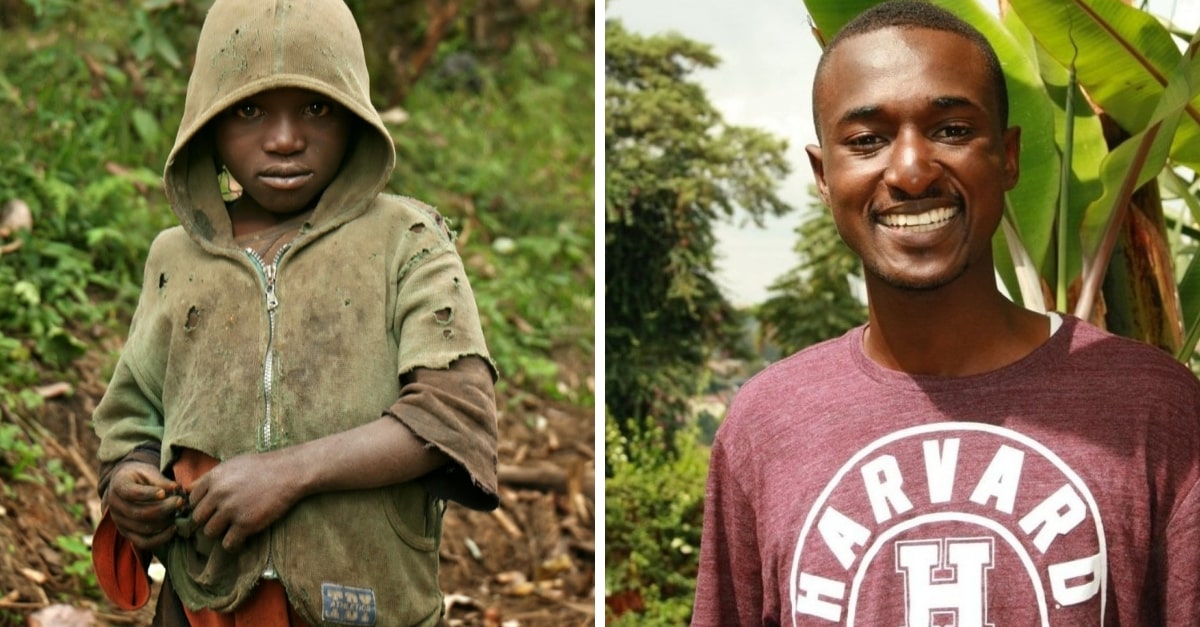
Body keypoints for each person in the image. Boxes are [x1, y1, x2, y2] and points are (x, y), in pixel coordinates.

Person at [691, 1, 1200, 625]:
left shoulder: (1153, 409)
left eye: (953, 130)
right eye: (867, 140)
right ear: (824, 176)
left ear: (1009, 157)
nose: (910, 172)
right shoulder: (767, 423)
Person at [89, 1, 499, 625]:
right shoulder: (175, 258)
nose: (284, 140)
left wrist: (289, 473)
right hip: (204, 604)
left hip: (365, 602)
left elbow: (453, 414)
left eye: (316, 108)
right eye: (250, 110)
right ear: (208, 122)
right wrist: (129, 480)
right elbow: (132, 415)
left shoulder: (406, 241)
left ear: (356, 118)